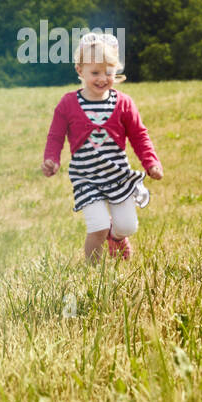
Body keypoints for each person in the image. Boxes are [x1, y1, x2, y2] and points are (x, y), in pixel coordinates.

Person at [43, 33, 162, 263]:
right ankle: (93, 275)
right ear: (80, 71)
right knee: (97, 227)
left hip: (118, 175)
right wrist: (52, 159)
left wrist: (151, 162)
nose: (102, 78)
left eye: (108, 72)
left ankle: (116, 237)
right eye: (95, 72)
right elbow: (55, 136)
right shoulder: (68, 104)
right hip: (86, 177)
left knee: (128, 226)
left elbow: (139, 135)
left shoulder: (124, 103)